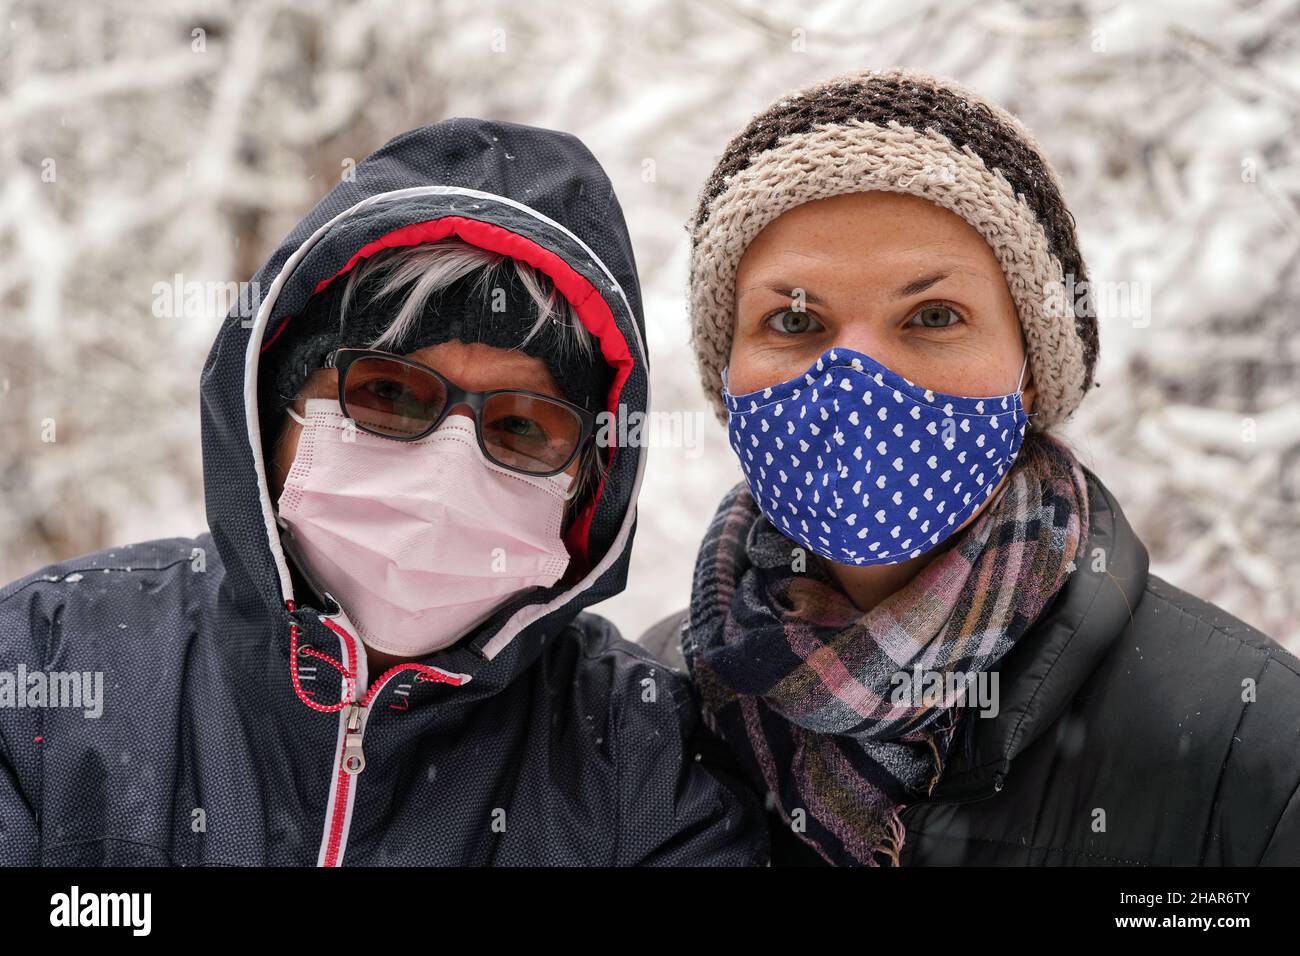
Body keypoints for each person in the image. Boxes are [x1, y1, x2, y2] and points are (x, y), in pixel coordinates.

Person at [0, 118, 768, 866]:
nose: (447, 467)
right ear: (270, 410)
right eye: (389, 393)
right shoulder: (50, 665)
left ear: (584, 487)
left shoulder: (642, 764)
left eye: (522, 427)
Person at [640, 68, 1300, 866]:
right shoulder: (651, 706)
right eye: (795, 319)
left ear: (1032, 368)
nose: (855, 378)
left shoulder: (1249, 743)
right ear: (728, 373)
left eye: (933, 316)